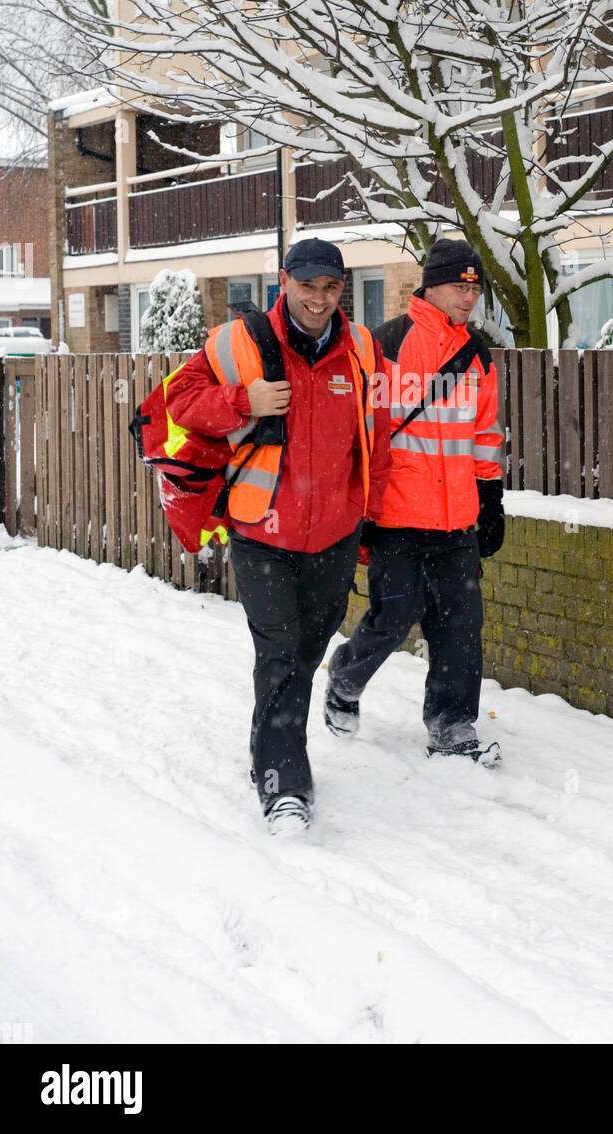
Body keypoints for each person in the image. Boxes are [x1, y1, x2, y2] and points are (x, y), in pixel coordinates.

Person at [165, 238, 391, 834]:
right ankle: (284, 779)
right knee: (280, 649)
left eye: (332, 287)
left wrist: (371, 521)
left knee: (306, 652)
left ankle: (267, 743)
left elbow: (379, 439)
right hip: (262, 530)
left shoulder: (363, 350)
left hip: (336, 534)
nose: (319, 298)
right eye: (308, 284)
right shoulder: (235, 343)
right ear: (284, 282)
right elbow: (178, 400)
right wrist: (245, 399)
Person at [324, 237, 505, 764]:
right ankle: (344, 677)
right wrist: (360, 510)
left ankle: (452, 724)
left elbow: (484, 435)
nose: (468, 298)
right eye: (458, 286)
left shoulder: (477, 357)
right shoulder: (385, 347)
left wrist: (490, 499)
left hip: (457, 523)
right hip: (397, 518)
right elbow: (361, 435)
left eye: (475, 288)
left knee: (460, 625)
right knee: (392, 620)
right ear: (430, 285)